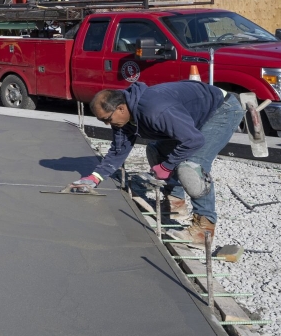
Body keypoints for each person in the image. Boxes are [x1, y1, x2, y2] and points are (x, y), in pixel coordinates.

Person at [70, 80, 244, 245]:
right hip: (191, 116)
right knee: (157, 151)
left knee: (192, 167)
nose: (108, 124)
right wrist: (95, 177)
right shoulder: (123, 118)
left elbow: (194, 141)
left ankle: (203, 229)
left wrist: (167, 166)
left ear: (121, 108)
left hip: (221, 110)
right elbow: (118, 150)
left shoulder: (155, 111)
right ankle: (176, 203)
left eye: (107, 119)